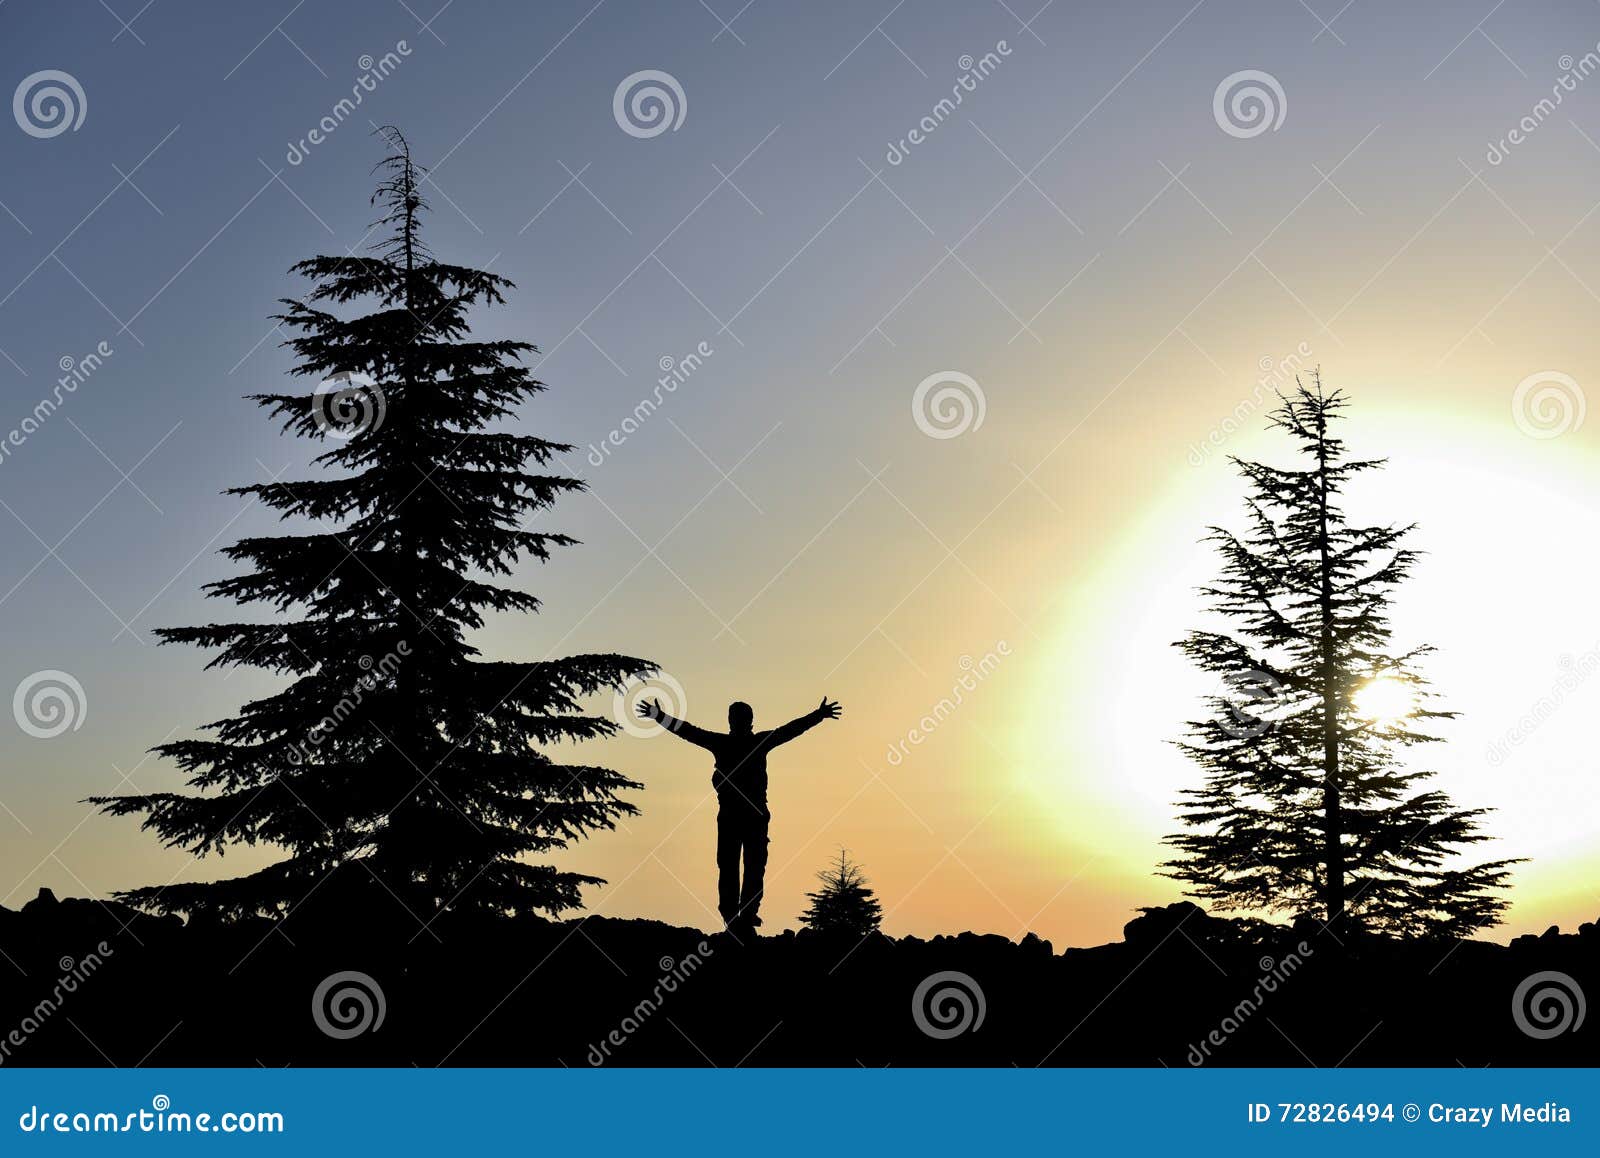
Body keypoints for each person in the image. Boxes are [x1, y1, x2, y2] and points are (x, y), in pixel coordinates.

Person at [637, 696, 842, 938]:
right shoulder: (747, 742)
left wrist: (659, 717)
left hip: (746, 818)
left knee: (744, 866)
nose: (738, 722)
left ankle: (742, 916)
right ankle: (737, 918)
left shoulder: (738, 743)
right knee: (738, 866)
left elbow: (690, 732)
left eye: (739, 718)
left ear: (742, 721)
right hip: (740, 817)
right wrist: (660, 717)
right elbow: (690, 732)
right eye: (736, 718)